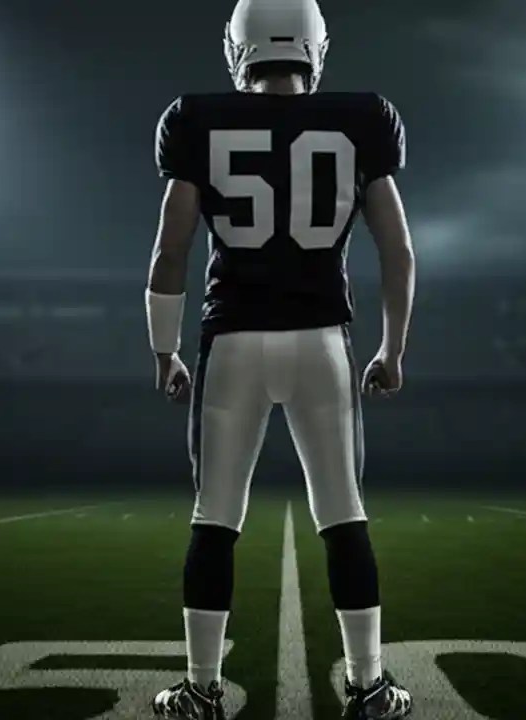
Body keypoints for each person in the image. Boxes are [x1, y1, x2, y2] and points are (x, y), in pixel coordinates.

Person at [145, 1, 415, 717]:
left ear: (240, 50)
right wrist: (392, 347)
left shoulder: (197, 121)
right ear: (315, 49)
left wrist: (164, 348)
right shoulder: (361, 120)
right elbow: (399, 251)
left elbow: (171, 250)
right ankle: (369, 685)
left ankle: (201, 690)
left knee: (215, 517)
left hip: (232, 342)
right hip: (322, 342)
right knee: (343, 514)